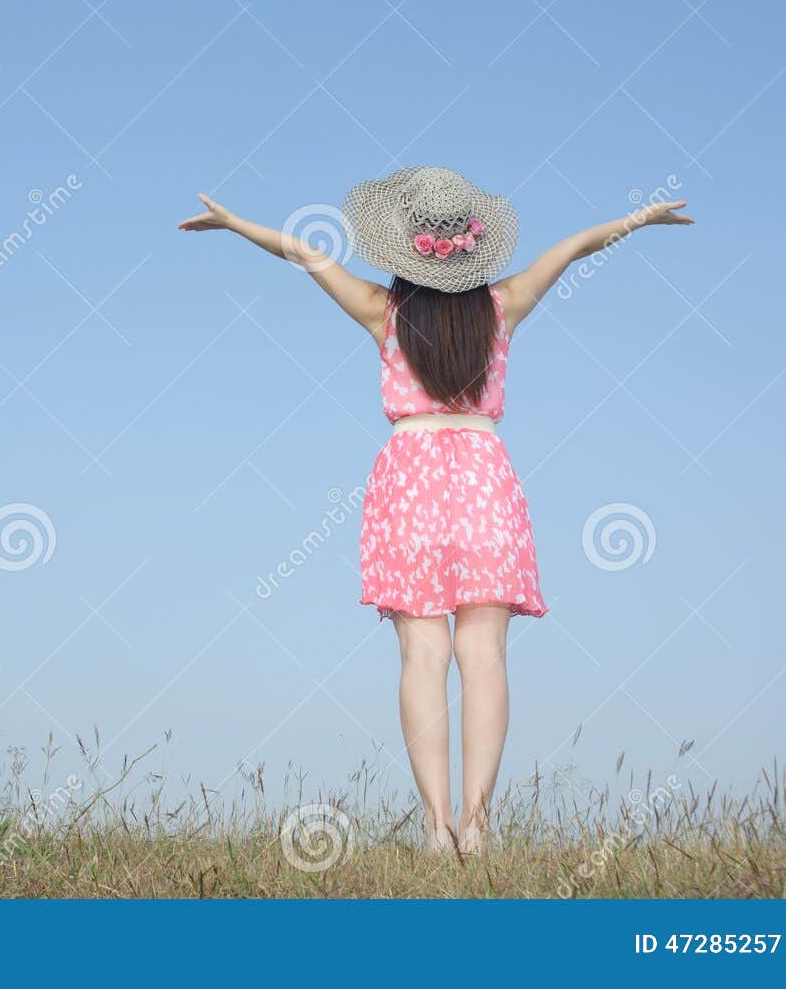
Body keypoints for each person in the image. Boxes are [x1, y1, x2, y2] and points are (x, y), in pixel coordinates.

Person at [178, 166, 693, 854]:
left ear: (405, 249)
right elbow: (570, 247)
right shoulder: (503, 306)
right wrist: (636, 219)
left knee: (422, 655)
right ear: (472, 249)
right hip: (484, 477)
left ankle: (435, 825)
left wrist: (237, 223)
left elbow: (306, 251)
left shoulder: (381, 310)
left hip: (409, 479)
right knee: (485, 654)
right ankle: (478, 825)